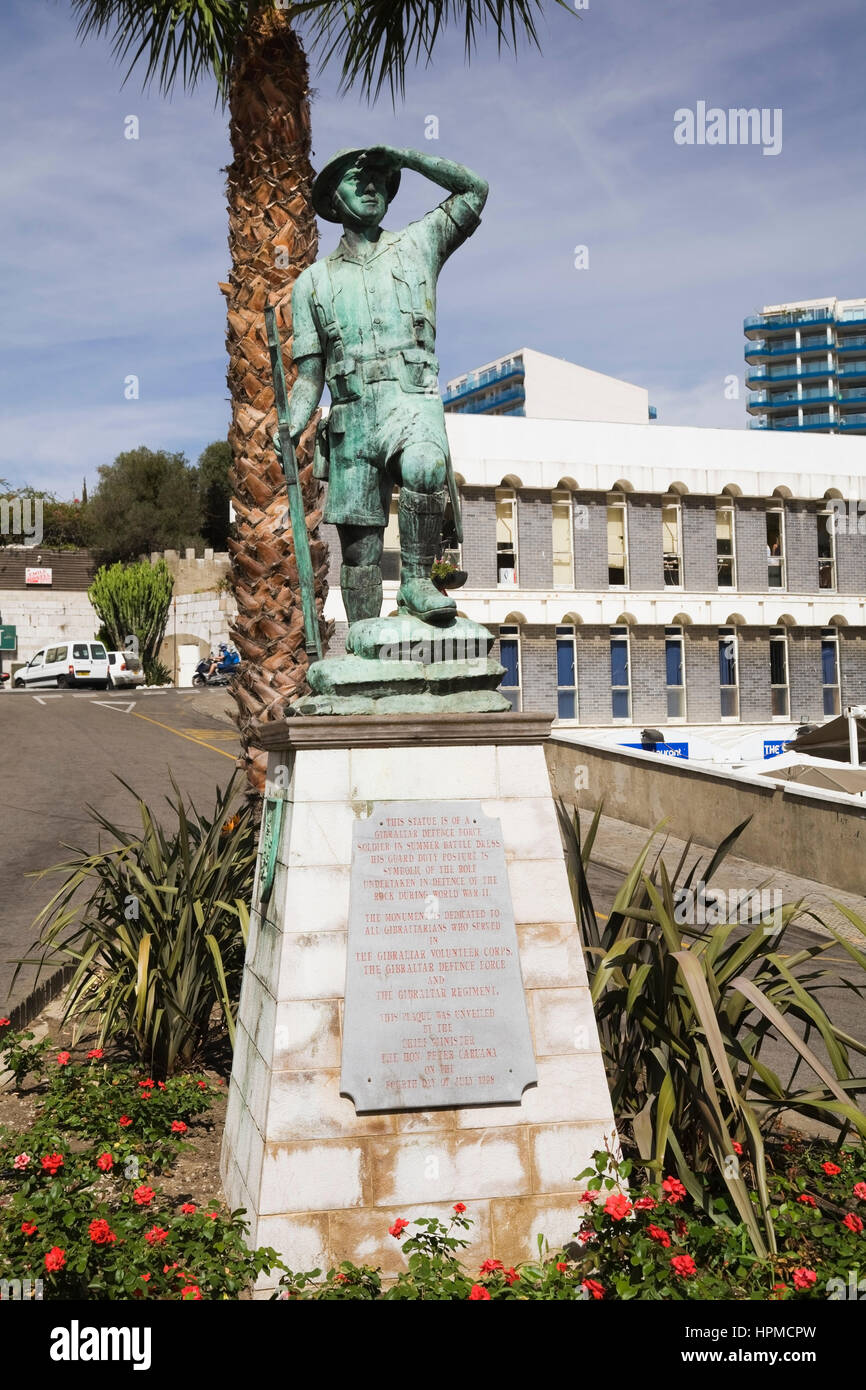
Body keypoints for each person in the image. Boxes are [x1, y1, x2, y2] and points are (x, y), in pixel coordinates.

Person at [280, 144, 487, 625]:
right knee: (360, 552)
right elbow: (310, 376)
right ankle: (362, 641)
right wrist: (291, 423)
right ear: (334, 199)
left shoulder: (420, 243)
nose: (372, 187)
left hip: (410, 400)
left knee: (425, 464)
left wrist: (409, 159)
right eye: (359, 180)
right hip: (352, 420)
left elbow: (475, 190)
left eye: (381, 178)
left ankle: (416, 582)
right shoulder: (312, 283)